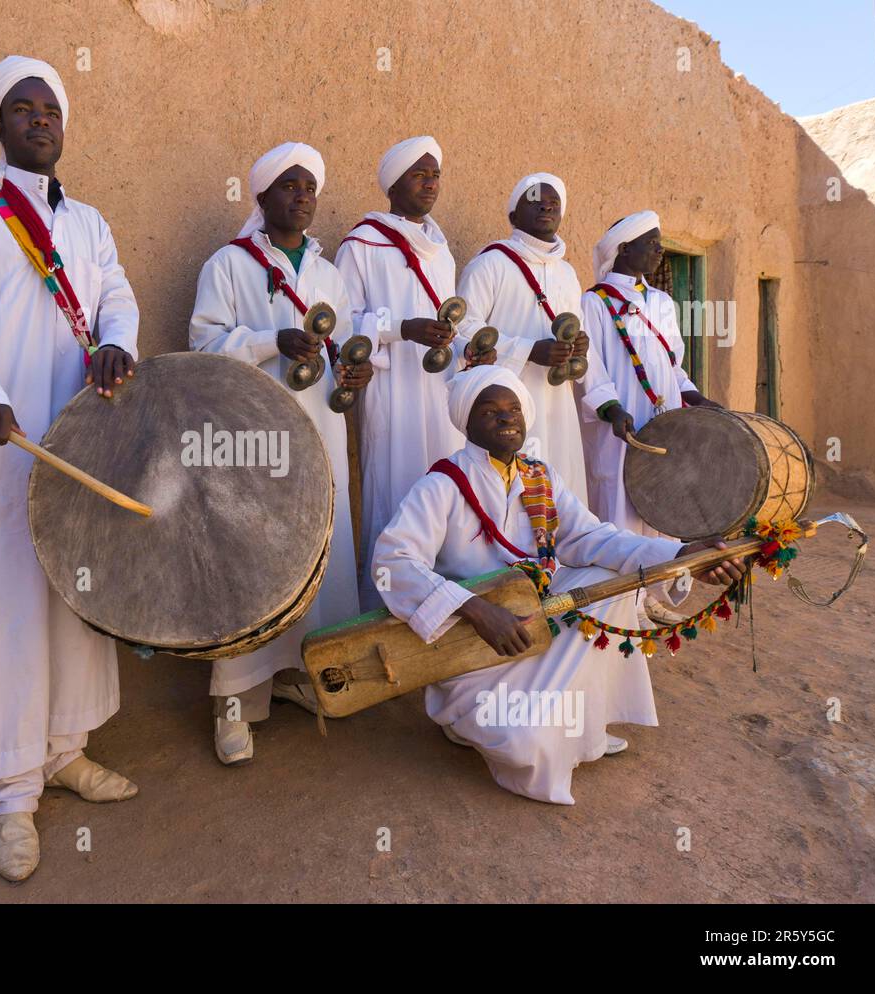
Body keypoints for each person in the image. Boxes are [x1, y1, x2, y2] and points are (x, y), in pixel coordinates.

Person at [0, 55, 140, 882]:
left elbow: (113, 292)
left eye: (50, 108)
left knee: (70, 593)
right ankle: (10, 793)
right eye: (22, 108)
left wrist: (117, 338)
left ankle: (63, 750)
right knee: (2, 604)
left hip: (72, 439)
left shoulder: (87, 222)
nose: (39, 119)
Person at [371, 365, 744, 804]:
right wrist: (473, 607)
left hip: (534, 617)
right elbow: (393, 561)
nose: (506, 419)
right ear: (466, 423)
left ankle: (583, 727)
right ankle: (469, 724)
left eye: (513, 409)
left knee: (614, 580)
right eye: (490, 411)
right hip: (477, 648)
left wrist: (679, 556)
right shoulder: (441, 486)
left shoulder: (539, 476)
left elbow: (590, 538)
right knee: (522, 745)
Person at [189, 142, 369, 764]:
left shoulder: (327, 274)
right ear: (260, 198)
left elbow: (344, 345)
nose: (301, 197)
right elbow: (205, 347)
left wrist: (353, 373)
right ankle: (235, 703)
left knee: (318, 552)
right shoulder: (229, 265)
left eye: (309, 188)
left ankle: (300, 673)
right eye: (288, 187)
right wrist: (271, 341)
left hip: (320, 431)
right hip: (253, 441)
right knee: (254, 565)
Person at [335, 136, 492, 610]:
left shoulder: (440, 251)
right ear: (393, 184)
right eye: (418, 175)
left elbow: (452, 319)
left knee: (442, 494)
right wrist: (401, 329)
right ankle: (386, 613)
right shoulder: (362, 243)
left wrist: (468, 349)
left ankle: (445, 609)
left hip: (439, 395)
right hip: (391, 393)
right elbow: (342, 322)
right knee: (395, 495)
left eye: (435, 174)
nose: (430, 183)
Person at [578, 212, 722, 624]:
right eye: (652, 243)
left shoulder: (659, 302)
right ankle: (624, 603)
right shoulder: (595, 302)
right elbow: (591, 365)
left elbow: (672, 365)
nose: (660, 250)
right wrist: (611, 408)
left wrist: (697, 398)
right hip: (622, 426)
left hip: (665, 419)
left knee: (662, 505)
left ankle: (653, 594)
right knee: (621, 507)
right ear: (624, 249)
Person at [454, 173, 593, 504]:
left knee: (561, 485)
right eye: (534, 200)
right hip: (506, 405)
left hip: (557, 403)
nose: (546, 204)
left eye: (553, 202)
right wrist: (528, 350)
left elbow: (575, 325)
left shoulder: (567, 274)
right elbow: (463, 329)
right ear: (514, 216)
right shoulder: (490, 264)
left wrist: (579, 347)